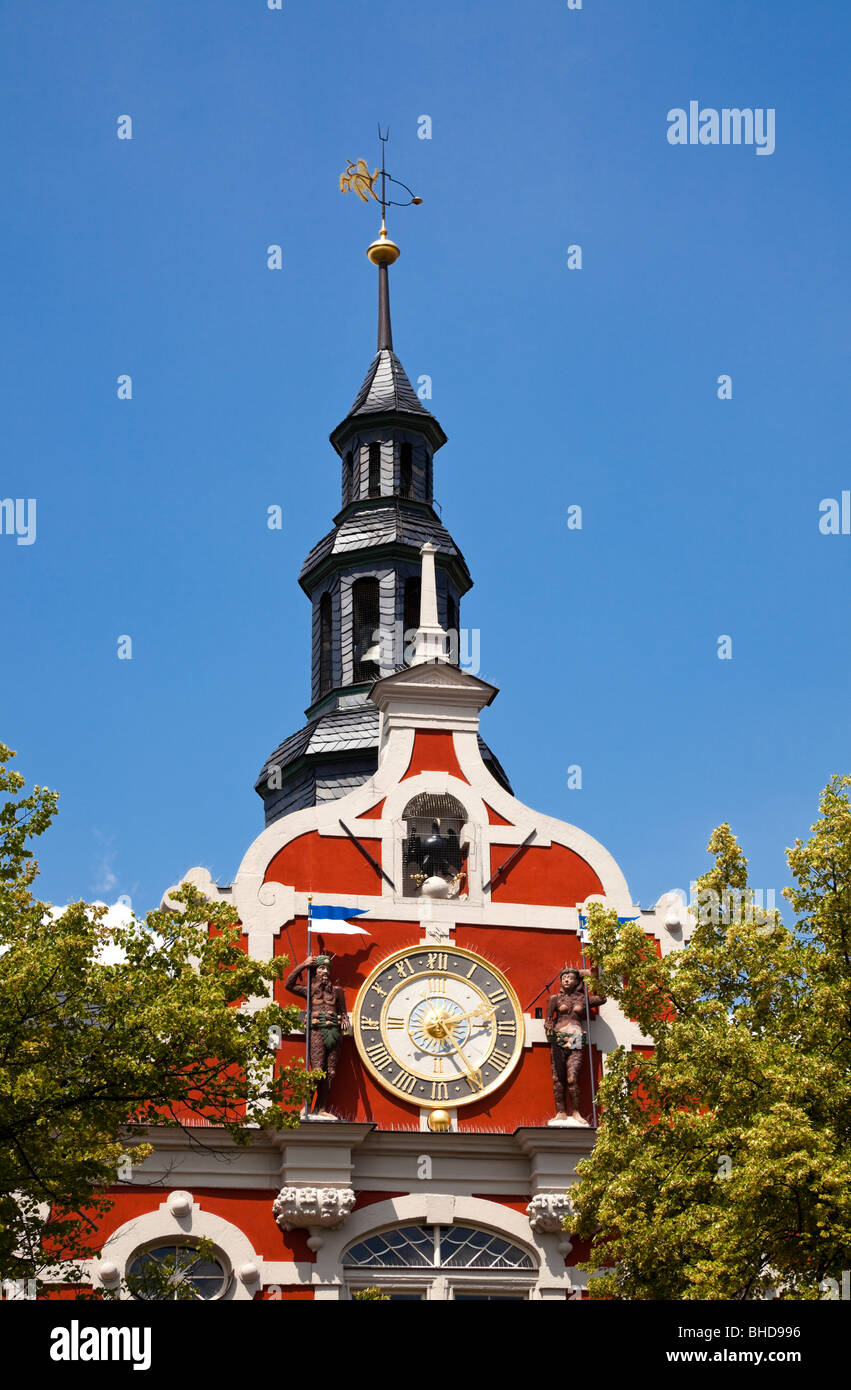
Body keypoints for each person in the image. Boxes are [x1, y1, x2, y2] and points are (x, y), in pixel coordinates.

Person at [284, 954, 348, 1120]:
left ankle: (321, 1108)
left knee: (331, 1072)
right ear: (315, 971)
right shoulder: (310, 991)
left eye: (327, 968)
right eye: (321, 968)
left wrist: (345, 1021)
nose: (324, 972)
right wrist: (303, 965)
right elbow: (288, 985)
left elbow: (344, 1013)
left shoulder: (337, 992)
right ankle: (306, 1107)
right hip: (317, 1030)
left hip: (334, 1031)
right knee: (317, 1071)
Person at [545, 967, 606, 1124]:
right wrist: (549, 1030)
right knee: (558, 1078)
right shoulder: (555, 999)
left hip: (576, 1039)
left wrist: (591, 977)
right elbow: (549, 1021)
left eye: (570, 977)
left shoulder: (583, 1000)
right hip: (559, 1038)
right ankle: (560, 1112)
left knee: (572, 1078)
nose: (566, 979)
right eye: (564, 977)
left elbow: (602, 998)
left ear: (577, 981)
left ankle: (576, 1112)